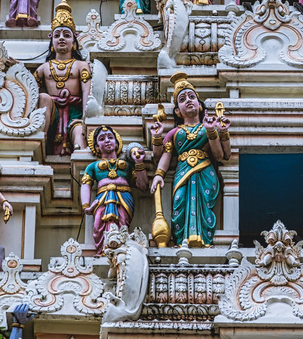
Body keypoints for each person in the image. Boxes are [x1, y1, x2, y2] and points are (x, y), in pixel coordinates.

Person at [150, 73, 230, 247]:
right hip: (182, 172)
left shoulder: (207, 127)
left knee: (203, 203)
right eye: (182, 98)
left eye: (192, 96)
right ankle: (182, 239)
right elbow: (161, 156)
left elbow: (219, 155)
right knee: (180, 202)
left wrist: (212, 131)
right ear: (178, 110)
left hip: (205, 171)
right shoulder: (175, 132)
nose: (188, 100)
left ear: (200, 106)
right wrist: (158, 174)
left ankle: (202, 237)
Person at [35, 2, 92, 155]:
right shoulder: (44, 68)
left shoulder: (81, 65)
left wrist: (87, 119)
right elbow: (29, 93)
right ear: (51, 40)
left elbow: (87, 92)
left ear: (74, 41)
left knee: (80, 131)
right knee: (43, 97)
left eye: (66, 35)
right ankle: (39, 143)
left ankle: (82, 159)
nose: (61, 38)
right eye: (57, 35)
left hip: (75, 113)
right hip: (51, 114)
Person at [82, 125, 150, 253]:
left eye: (110, 137)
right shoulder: (93, 166)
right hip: (102, 198)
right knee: (98, 225)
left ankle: (121, 247)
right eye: (102, 139)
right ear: (97, 146)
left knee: (122, 222)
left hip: (123, 198)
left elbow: (143, 186)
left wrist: (139, 163)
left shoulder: (128, 166)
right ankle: (104, 250)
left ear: (117, 142)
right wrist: (86, 205)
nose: (107, 140)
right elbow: (86, 184)